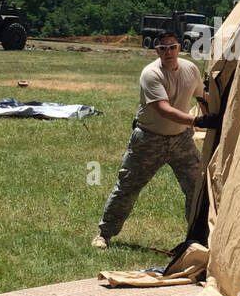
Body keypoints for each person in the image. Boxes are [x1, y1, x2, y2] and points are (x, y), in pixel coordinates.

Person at [93, 32, 218, 249]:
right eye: (163, 48)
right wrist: (200, 120)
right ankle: (104, 234)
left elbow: (202, 96)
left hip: (181, 140)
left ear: (179, 48)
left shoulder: (190, 70)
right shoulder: (150, 74)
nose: (168, 52)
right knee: (128, 186)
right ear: (157, 51)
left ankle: (199, 237)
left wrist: (217, 111)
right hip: (148, 140)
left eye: (172, 47)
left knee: (197, 187)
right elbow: (164, 110)